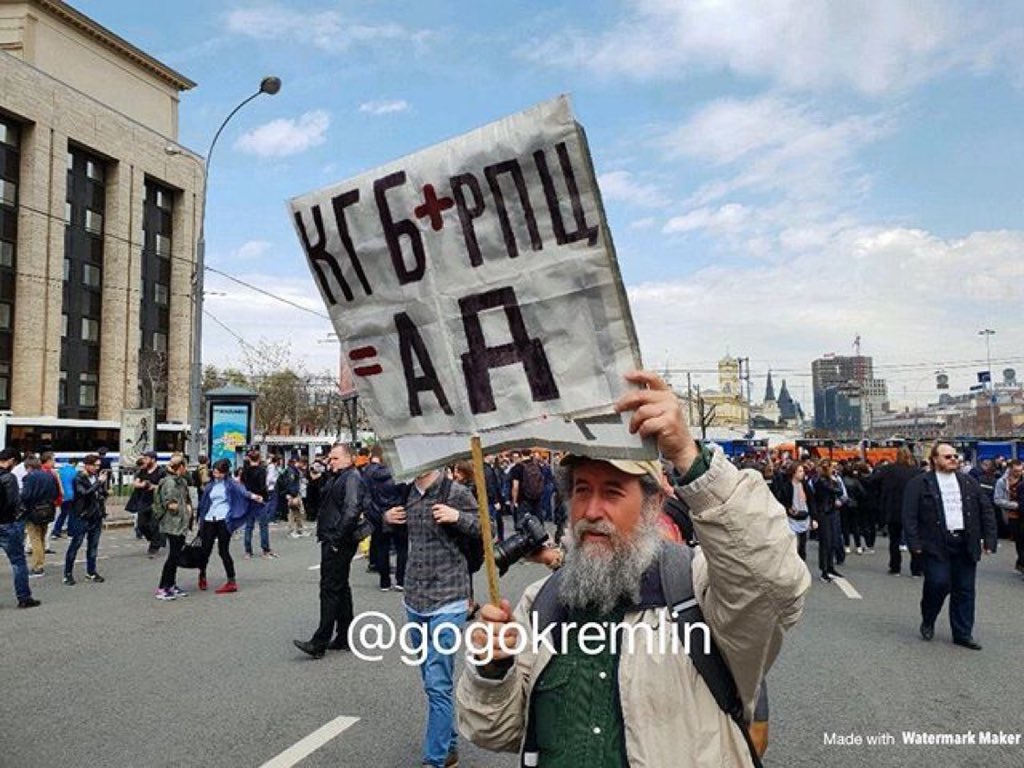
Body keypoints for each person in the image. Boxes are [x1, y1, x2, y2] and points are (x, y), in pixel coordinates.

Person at [457, 370, 809, 767]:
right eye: (581, 490)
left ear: (652, 505)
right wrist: (492, 669)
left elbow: (773, 585)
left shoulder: (697, 592)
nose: (592, 511)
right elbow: (495, 732)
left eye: (612, 492)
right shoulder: (542, 602)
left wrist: (690, 459)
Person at [383, 459, 479, 768]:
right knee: (429, 678)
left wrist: (458, 517)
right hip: (415, 595)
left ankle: (434, 760)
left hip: (450, 595)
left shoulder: (456, 492)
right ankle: (448, 745)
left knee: (438, 680)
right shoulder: (404, 493)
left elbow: (484, 528)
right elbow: (383, 528)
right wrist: (386, 519)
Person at [903, 443, 997, 650]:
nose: (953, 459)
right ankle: (928, 618)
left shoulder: (969, 481)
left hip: (965, 542)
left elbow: (986, 510)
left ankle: (963, 633)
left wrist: (990, 539)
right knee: (938, 583)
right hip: (935, 544)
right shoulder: (920, 483)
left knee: (964, 590)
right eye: (947, 456)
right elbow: (909, 515)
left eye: (955, 456)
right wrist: (914, 543)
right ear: (935, 459)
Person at [294, 443, 367, 658]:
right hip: (334, 536)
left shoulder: (352, 477)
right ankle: (344, 635)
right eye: (330, 458)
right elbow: (325, 499)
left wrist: (337, 538)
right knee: (340, 587)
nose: (330, 462)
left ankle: (320, 641)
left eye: (335, 458)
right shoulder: (340, 476)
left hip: (337, 538)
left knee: (329, 588)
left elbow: (352, 509)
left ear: (348, 458)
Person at [196, 458, 259, 593]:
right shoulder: (210, 485)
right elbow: (204, 503)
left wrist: (254, 497)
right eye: (214, 471)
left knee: (223, 550)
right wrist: (199, 520)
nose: (215, 474)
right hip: (209, 520)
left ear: (225, 473)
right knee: (205, 551)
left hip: (224, 520)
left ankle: (231, 581)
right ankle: (202, 575)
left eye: (219, 472)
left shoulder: (231, 484)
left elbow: (243, 492)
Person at [0, 448, 39, 608]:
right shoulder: (9, 478)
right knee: (18, 562)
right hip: (7, 523)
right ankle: (24, 597)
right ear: (11, 460)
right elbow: (13, 502)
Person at [64, 454, 108, 585]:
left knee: (93, 546)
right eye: (95, 465)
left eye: (98, 466)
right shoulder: (79, 478)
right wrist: (99, 482)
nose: (97, 468)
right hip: (81, 516)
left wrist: (103, 492)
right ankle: (67, 574)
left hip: (96, 515)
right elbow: (84, 493)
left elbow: (99, 493)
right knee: (75, 545)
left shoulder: (96, 476)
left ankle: (91, 571)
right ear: (87, 465)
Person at [154, 455, 193, 601]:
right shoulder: (169, 483)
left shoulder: (181, 481)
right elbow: (170, 504)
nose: (186, 469)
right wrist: (184, 509)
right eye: (185, 466)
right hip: (172, 523)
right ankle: (162, 587)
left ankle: (171, 585)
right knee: (173, 556)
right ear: (180, 466)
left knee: (176, 556)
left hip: (181, 523)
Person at [20, 454, 60, 577]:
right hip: (48, 509)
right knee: (42, 536)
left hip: (33, 511)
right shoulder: (50, 476)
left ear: (29, 467)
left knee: (35, 538)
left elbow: (26, 496)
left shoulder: (29, 478)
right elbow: (55, 492)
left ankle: (37, 566)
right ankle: (40, 562)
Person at [774, 462, 814, 561]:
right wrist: (788, 509)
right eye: (800, 471)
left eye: (803, 471)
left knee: (803, 546)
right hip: (791, 519)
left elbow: (811, 501)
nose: (803, 473)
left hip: (804, 518)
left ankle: (802, 567)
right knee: (793, 545)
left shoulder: (805, 485)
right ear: (793, 473)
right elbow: (781, 501)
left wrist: (814, 518)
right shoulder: (786, 486)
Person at [241, 450, 276, 559]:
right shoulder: (261, 471)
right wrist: (265, 497)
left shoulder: (245, 471)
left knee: (248, 526)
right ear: (259, 459)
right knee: (263, 525)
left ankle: (248, 551)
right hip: (260, 500)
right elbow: (262, 486)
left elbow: (242, 483)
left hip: (248, 499)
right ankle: (265, 549)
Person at [131, 451, 165, 557]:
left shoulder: (161, 471)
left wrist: (153, 486)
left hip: (156, 502)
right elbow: (135, 482)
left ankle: (154, 547)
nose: (144, 460)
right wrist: (142, 485)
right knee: (141, 525)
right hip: (144, 500)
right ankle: (156, 539)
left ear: (153, 459)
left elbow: (164, 486)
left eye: (146, 458)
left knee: (154, 524)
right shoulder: (143, 471)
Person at [993, 459, 1023, 574]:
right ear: (1010, 469)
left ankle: (1021, 563)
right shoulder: (1002, 482)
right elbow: (997, 500)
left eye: (1021, 471)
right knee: (1019, 540)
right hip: (1012, 515)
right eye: (1016, 471)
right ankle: (1021, 562)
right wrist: (1015, 505)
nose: (1019, 473)